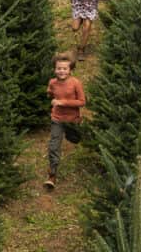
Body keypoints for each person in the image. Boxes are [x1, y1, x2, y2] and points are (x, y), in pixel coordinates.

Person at [44, 52, 85, 190]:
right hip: (57, 119)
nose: (61, 71)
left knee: (75, 139)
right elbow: (50, 91)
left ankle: (78, 130)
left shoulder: (75, 83)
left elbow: (82, 102)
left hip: (72, 120)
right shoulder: (52, 82)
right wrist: (50, 94)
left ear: (70, 70)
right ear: (55, 69)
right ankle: (52, 175)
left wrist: (62, 102)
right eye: (59, 68)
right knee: (53, 146)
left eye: (64, 69)